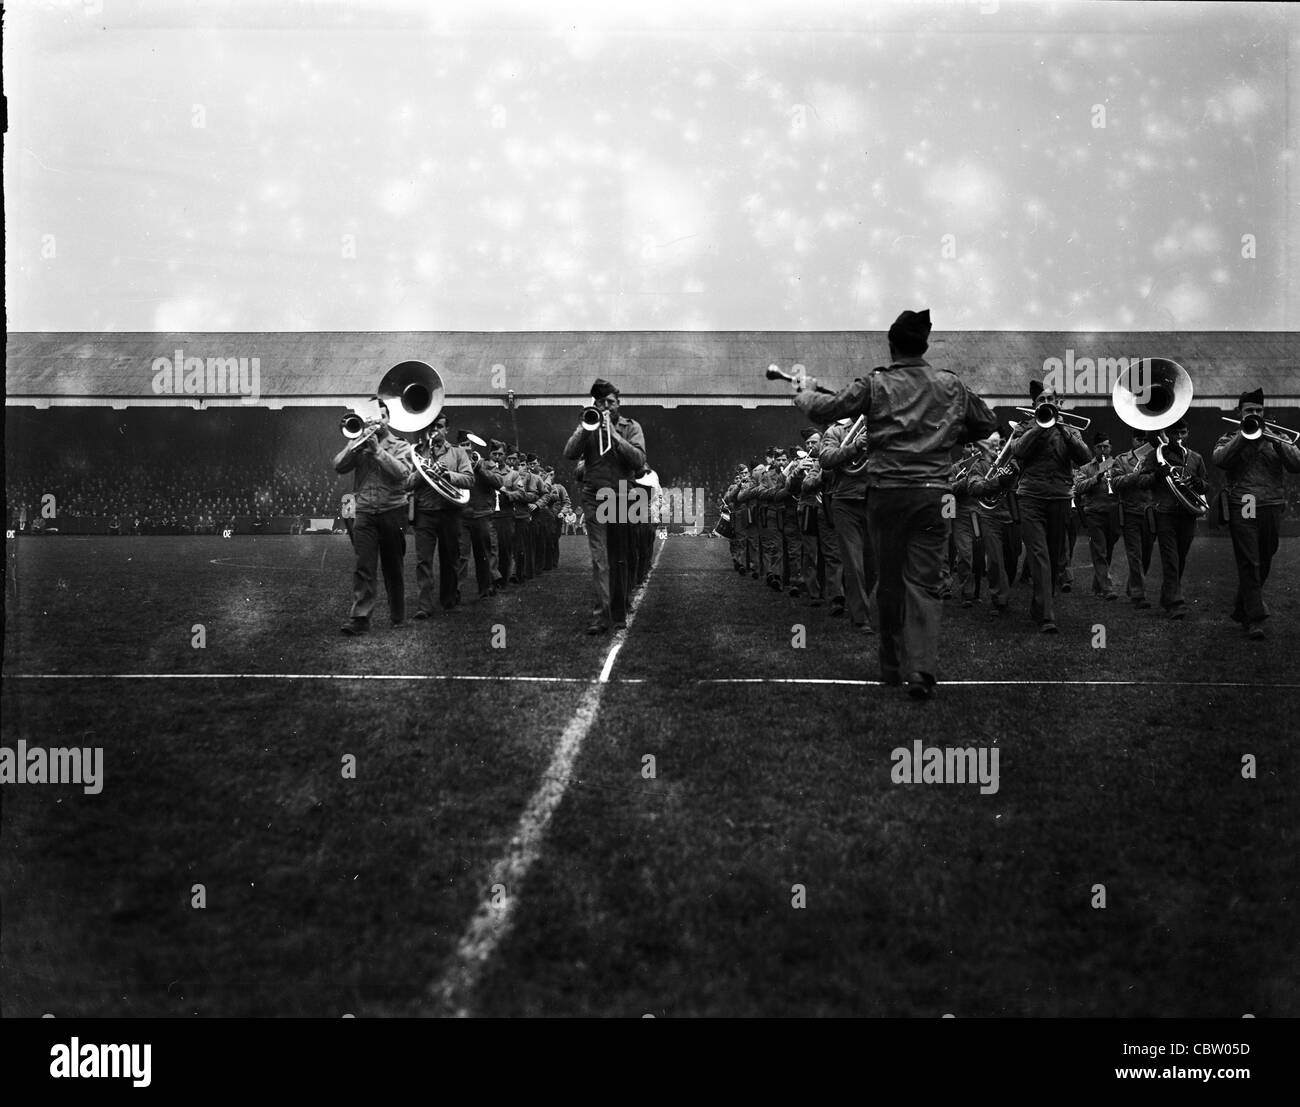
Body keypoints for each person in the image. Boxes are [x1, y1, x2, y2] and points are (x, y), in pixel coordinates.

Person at [793, 308, 996, 698]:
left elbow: (828, 409)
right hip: (935, 493)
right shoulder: (951, 385)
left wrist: (804, 393)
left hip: (886, 493)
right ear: (924, 345)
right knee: (925, 583)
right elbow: (986, 423)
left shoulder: (877, 383)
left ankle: (890, 667)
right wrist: (949, 432)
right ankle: (921, 670)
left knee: (888, 583)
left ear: (892, 345)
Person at [1212, 389, 1300, 639]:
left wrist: (1275, 440)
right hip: (1244, 503)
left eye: (1258, 411)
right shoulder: (1229, 437)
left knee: (1266, 557)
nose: (1255, 414)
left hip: (1271, 503)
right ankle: (1256, 618)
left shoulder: (1278, 436)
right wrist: (1243, 436)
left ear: (1264, 412)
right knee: (1250, 560)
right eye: (1250, 411)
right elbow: (1220, 459)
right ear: (1239, 413)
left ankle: (1243, 608)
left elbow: (1296, 464)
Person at [563, 377, 646, 634]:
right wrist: (586, 428)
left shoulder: (631, 428)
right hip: (593, 495)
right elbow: (569, 453)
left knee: (619, 557)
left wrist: (613, 435)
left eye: (611, 402)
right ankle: (601, 617)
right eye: (601, 402)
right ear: (595, 403)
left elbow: (639, 459)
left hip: (621, 495)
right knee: (600, 559)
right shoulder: (589, 424)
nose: (606, 406)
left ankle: (619, 613)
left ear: (618, 403)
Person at [1008, 381, 1091, 633]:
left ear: (1058, 404)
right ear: (1035, 405)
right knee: (1039, 554)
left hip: (1060, 498)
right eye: (1041, 401)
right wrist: (1040, 427)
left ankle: (1040, 604)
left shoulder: (1070, 429)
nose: (1046, 403)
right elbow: (1018, 450)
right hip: (1031, 497)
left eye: (1050, 400)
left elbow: (1085, 457)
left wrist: (1063, 430)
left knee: (1054, 557)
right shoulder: (1024, 426)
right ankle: (1047, 615)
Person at [332, 398, 415, 635]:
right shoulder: (359, 442)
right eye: (373, 418)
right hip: (366, 512)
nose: (377, 422)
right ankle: (360, 618)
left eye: (382, 417)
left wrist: (378, 452)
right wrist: (354, 444)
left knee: (393, 567)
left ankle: (398, 616)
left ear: (388, 419)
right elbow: (338, 465)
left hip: (393, 511)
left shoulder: (400, 445)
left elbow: (402, 473)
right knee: (363, 567)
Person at [1136, 417, 1207, 620]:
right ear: (1168, 434)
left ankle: (1168, 597)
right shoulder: (1155, 456)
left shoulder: (1195, 458)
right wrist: (1158, 475)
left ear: (1187, 434)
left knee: (1180, 558)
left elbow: (1206, 485)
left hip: (1187, 514)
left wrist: (1196, 482)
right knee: (1171, 559)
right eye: (1175, 433)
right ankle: (1176, 603)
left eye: (1183, 433)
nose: (1179, 437)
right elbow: (1141, 481)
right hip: (1165, 513)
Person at [407, 412, 474, 618]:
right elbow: (407, 483)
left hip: (449, 513)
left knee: (450, 559)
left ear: (447, 430)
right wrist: (424, 471)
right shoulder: (417, 453)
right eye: (432, 426)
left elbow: (470, 480)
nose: (435, 430)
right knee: (423, 561)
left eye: (440, 426)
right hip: (425, 513)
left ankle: (448, 600)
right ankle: (424, 606)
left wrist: (447, 475)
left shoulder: (457, 453)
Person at [818, 416, 876, 631]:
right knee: (854, 563)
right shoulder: (836, 431)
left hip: (875, 501)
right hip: (846, 501)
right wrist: (854, 446)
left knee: (873, 564)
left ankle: (856, 602)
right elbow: (825, 458)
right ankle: (861, 617)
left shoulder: (885, 428)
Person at [1072, 432, 1122, 600]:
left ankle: (1098, 585)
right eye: (1099, 447)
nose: (1103, 450)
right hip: (1093, 513)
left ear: (1111, 447)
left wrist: (1113, 477)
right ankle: (1108, 588)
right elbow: (1078, 487)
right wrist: (1096, 478)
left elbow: (1124, 483)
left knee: (1108, 550)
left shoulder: (1116, 465)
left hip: (1113, 512)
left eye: (1106, 446)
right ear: (1094, 448)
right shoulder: (1086, 468)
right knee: (1100, 550)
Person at [1109, 429, 1155, 608]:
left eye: (1145, 439)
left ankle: (1133, 587)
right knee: (1134, 555)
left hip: (1150, 511)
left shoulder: (1155, 457)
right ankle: (1138, 595)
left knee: (1146, 554)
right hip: (1130, 511)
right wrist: (1138, 473)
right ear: (1132, 440)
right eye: (1138, 439)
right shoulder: (1121, 460)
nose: (1141, 442)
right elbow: (1116, 483)